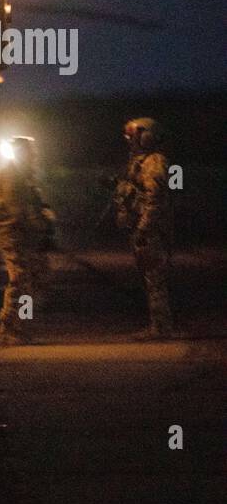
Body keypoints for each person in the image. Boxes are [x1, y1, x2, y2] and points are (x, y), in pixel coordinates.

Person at [113, 117, 174, 338]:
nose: (130, 141)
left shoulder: (154, 161)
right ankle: (159, 325)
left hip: (151, 230)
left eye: (134, 136)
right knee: (150, 278)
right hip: (143, 227)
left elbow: (155, 198)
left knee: (155, 278)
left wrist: (144, 227)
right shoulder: (140, 161)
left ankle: (161, 327)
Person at [0, 136, 54, 345]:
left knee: (36, 282)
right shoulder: (11, 175)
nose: (33, 156)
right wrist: (40, 226)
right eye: (29, 152)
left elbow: (36, 205)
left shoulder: (25, 176)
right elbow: (17, 210)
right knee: (20, 283)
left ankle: (23, 326)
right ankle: (9, 330)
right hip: (15, 237)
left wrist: (45, 219)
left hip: (28, 238)